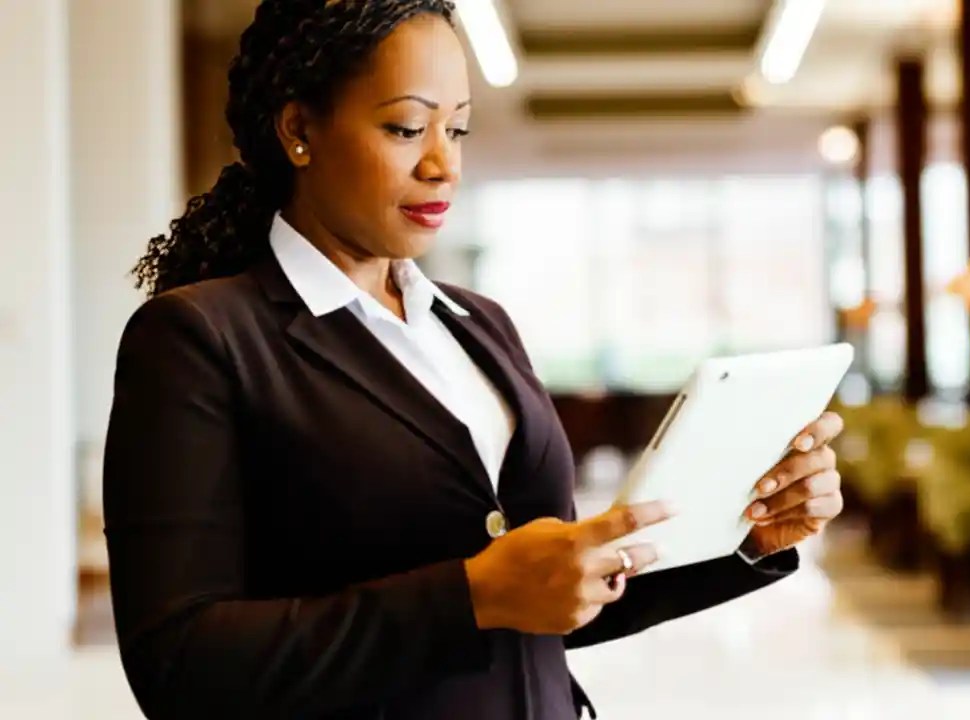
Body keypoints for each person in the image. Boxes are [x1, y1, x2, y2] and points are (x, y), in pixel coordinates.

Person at [103, 1, 845, 718]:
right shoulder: (200, 338)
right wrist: (472, 597)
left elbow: (554, 600)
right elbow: (178, 663)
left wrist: (746, 539)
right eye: (406, 128)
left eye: (456, 129)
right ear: (299, 130)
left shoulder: (479, 326)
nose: (443, 165)